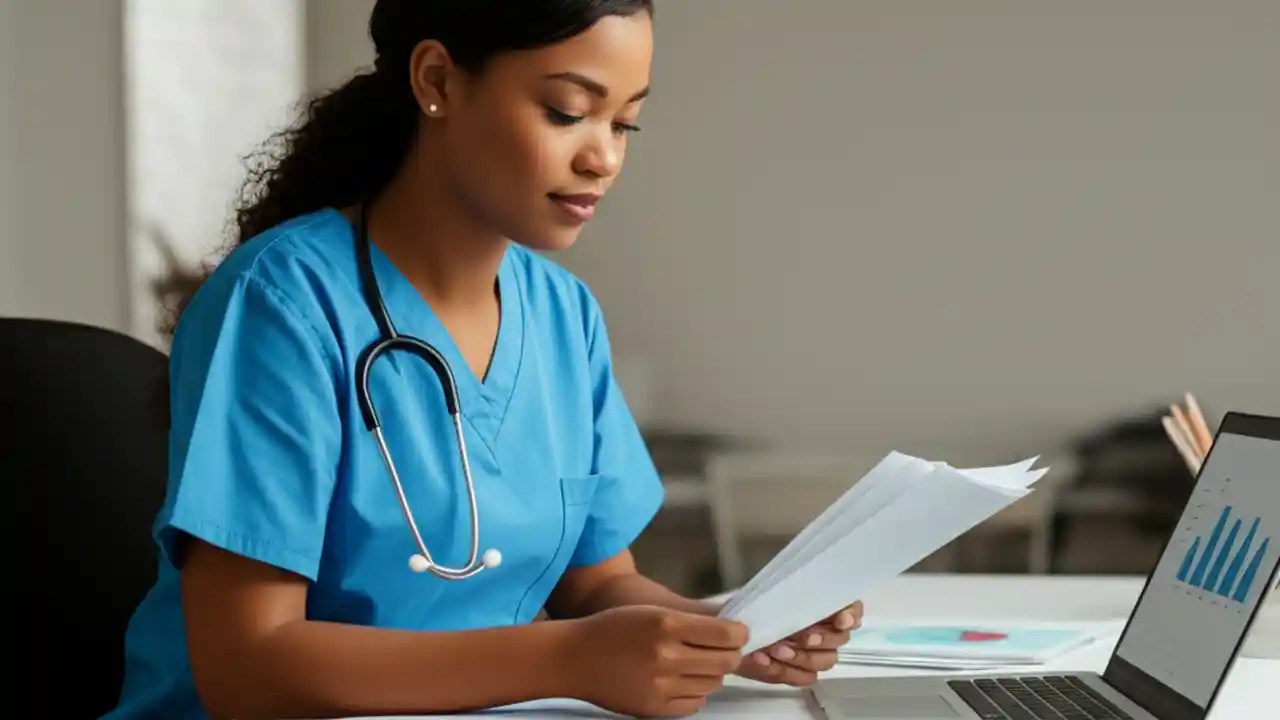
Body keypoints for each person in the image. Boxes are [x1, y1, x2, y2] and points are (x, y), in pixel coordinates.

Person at [107, 2, 864, 718]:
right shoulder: (282, 303)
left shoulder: (564, 316)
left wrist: (725, 633)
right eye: (566, 111)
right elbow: (245, 669)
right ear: (437, 79)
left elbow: (598, 585)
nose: (603, 157)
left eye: (625, 122)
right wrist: (565, 658)